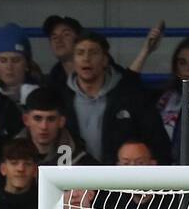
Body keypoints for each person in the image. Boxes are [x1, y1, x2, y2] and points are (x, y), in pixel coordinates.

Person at [64, 33, 170, 165]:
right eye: (80, 53)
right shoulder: (61, 98)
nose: (86, 58)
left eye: (93, 53)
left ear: (105, 60)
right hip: (76, 181)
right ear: (73, 61)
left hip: (122, 181)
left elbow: (158, 142)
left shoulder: (130, 96)